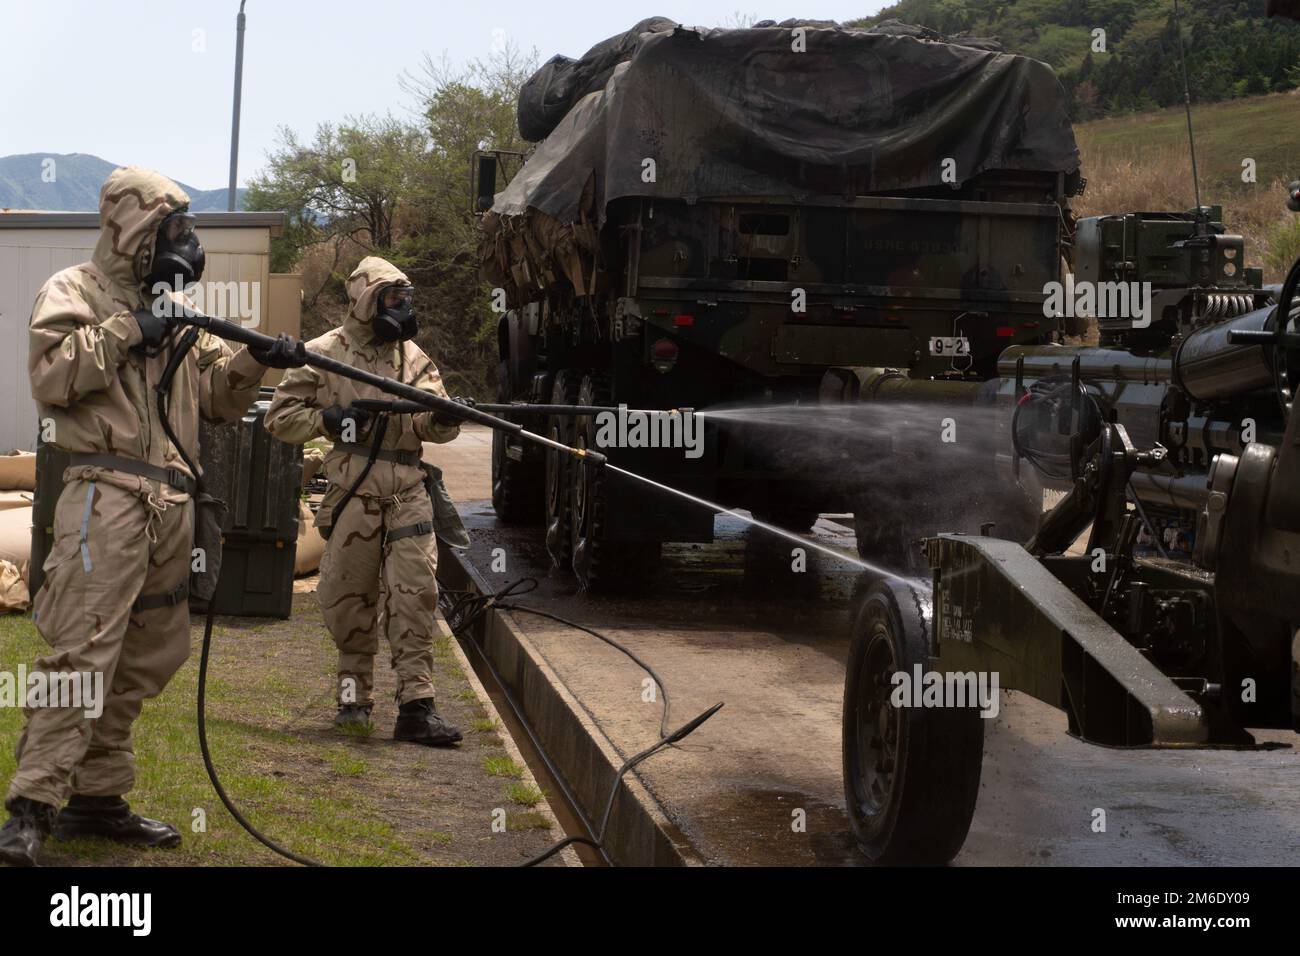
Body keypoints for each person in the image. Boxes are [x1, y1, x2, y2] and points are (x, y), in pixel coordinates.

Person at [0, 166, 307, 867]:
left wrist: (256, 362)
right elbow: (52, 377)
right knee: (83, 651)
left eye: (189, 229)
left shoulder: (180, 317)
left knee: (146, 657)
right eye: (174, 229)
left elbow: (220, 404)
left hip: (173, 505)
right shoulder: (74, 291)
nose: (187, 243)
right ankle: (29, 809)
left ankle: (97, 800)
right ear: (132, 227)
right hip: (103, 498)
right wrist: (127, 328)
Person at [264, 256, 466, 746]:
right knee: (349, 602)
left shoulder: (413, 359)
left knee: (415, 599)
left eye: (406, 298)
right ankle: (353, 703)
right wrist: (326, 421)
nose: (402, 307)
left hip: (407, 494)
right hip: (353, 494)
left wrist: (441, 419)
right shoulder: (320, 353)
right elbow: (279, 417)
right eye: (392, 298)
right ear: (364, 300)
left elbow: (432, 423)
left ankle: (417, 709)